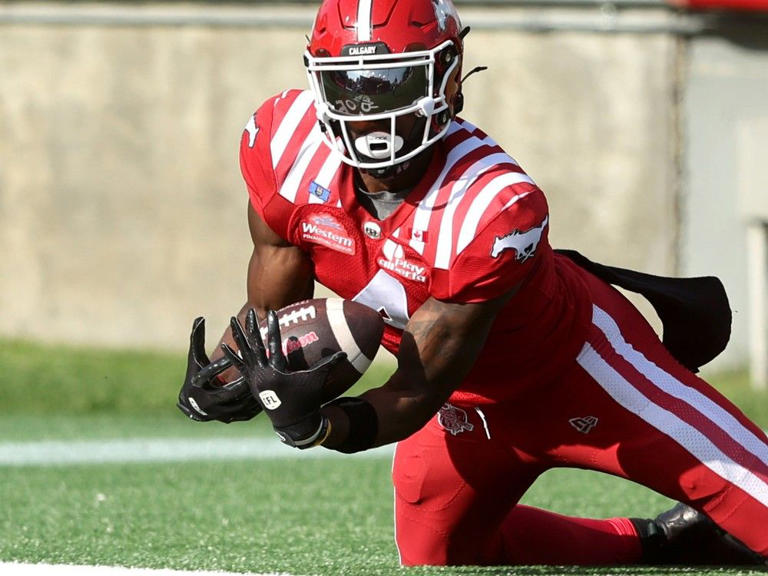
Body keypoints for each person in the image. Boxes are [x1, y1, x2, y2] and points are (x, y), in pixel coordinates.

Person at [177, 0, 768, 566]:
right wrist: (232, 375)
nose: (366, 108)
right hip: (469, 406)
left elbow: (415, 389)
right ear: (317, 81)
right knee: (443, 559)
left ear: (448, 76)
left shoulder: (491, 204)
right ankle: (665, 541)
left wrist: (322, 426)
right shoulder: (283, 146)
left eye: (392, 84)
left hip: (585, 372)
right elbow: (270, 325)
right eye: (348, 85)